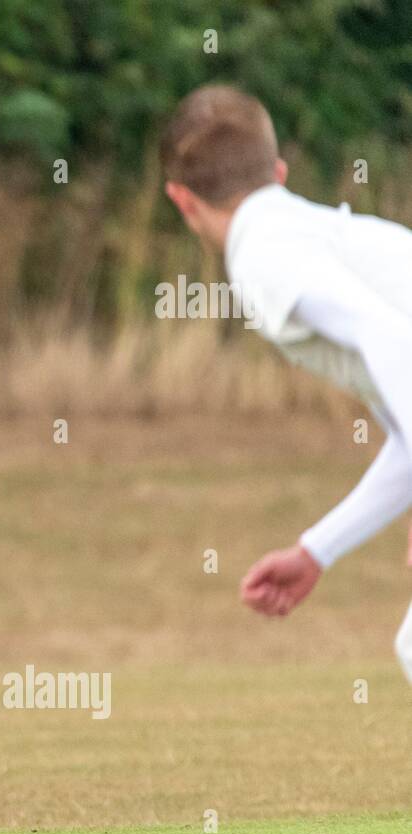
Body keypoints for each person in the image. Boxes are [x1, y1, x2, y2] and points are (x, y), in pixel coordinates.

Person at [162, 84, 412, 680]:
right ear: (278, 171)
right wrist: (317, 549)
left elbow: (392, 339)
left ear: (182, 200)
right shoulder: (316, 235)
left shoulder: (263, 256)